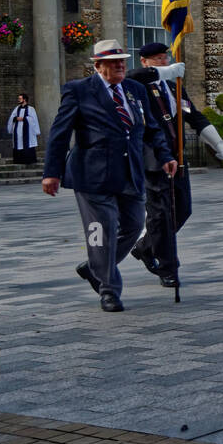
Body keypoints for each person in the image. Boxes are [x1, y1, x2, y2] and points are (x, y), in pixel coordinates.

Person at [42, 41, 176, 313]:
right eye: (113, 62)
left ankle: (96, 268)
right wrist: (51, 173)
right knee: (101, 231)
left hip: (130, 172)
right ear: (98, 65)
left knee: (135, 224)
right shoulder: (79, 91)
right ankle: (109, 290)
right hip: (93, 175)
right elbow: (59, 133)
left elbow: (151, 129)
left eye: (123, 60)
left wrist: (165, 156)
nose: (120, 65)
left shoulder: (135, 90)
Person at [126, 42, 223, 289]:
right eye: (157, 59)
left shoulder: (175, 87)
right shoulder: (138, 86)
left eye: (165, 58)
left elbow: (193, 115)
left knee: (182, 210)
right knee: (161, 214)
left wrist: (216, 141)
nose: (164, 62)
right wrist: (165, 71)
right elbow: (131, 76)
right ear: (145, 62)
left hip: (178, 158)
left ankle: (144, 247)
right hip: (154, 161)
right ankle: (168, 267)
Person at [6, 93, 40, 165]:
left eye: (20, 98)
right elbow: (12, 117)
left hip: (27, 132)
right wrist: (15, 118)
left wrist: (24, 118)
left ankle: (28, 160)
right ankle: (18, 160)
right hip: (18, 131)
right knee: (18, 144)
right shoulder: (17, 108)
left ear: (24, 100)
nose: (18, 100)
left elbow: (34, 120)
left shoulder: (31, 109)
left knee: (27, 144)